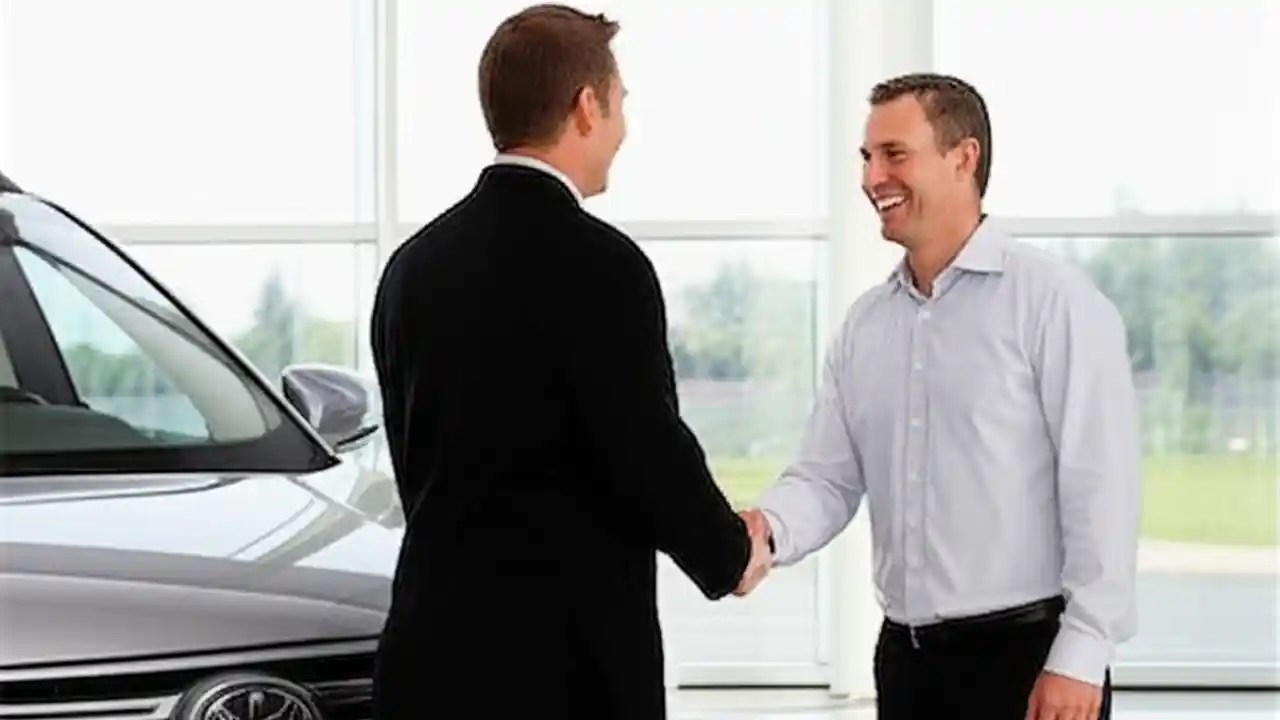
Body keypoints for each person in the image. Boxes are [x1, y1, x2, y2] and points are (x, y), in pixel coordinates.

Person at [368, 5, 772, 718]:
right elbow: (645, 451)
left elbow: (417, 461)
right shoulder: (604, 267)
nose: (623, 128)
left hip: (429, 658)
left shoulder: (411, 268)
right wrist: (730, 553)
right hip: (565, 668)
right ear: (587, 106)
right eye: (620, 104)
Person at [741, 73, 1141, 720]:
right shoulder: (865, 326)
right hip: (906, 663)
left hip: (1031, 661)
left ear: (964, 157)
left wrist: (1083, 652)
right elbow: (826, 479)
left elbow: (1102, 488)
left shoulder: (1054, 303)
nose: (872, 178)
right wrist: (765, 532)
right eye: (867, 157)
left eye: (894, 154)